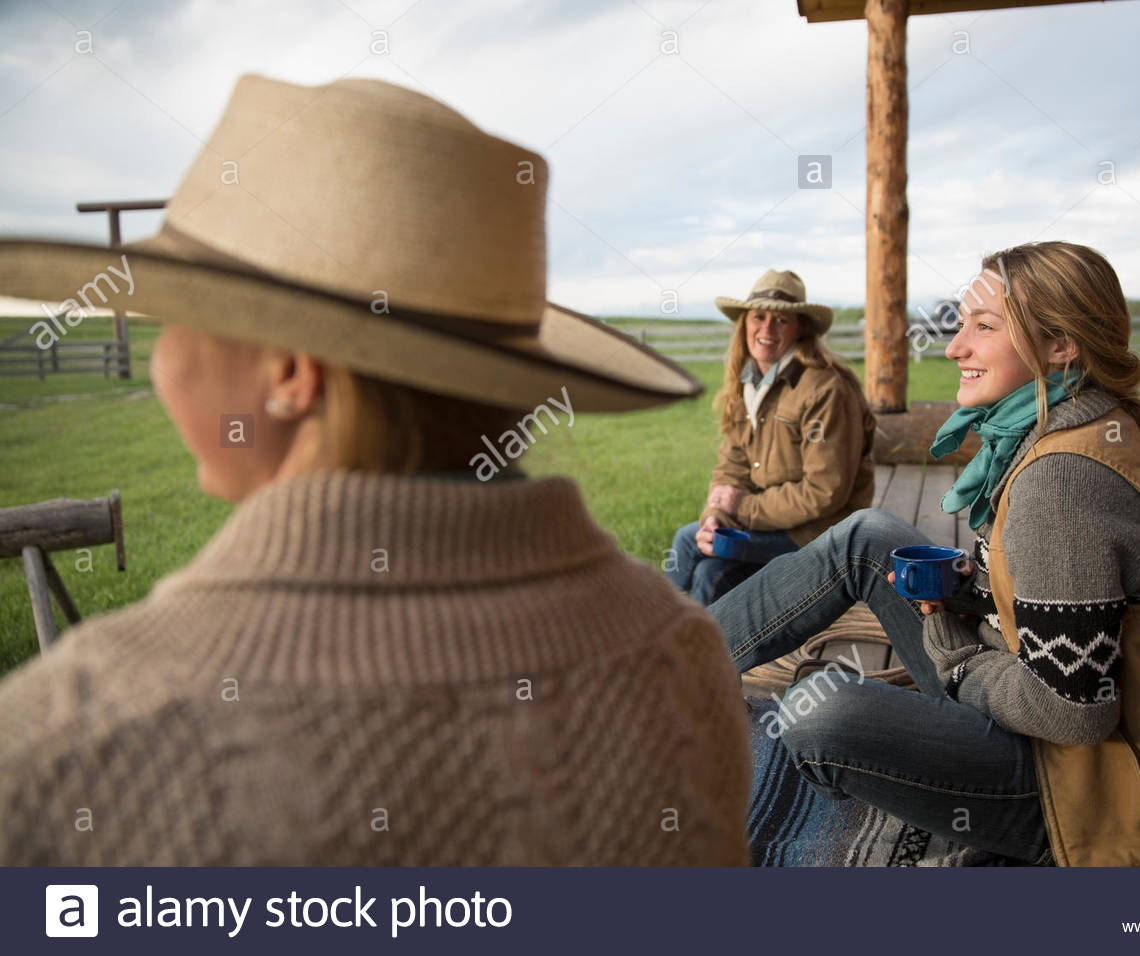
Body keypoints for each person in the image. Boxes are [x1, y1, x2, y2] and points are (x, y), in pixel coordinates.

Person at [0, 75, 750, 865]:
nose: (161, 362)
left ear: (292, 370)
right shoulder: (678, 654)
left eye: (174, 318)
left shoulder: (72, 745)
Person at [708, 241, 1140, 867]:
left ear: (1061, 345)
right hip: (1057, 724)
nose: (953, 347)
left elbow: (1072, 714)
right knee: (868, 537)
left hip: (1100, 791)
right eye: (961, 324)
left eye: (984, 326)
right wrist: (974, 596)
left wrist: (959, 661)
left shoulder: (1063, 477)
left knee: (818, 718)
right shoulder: (1081, 421)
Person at [666, 270, 875, 604]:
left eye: (781, 320)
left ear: (801, 328)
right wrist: (716, 515)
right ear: (744, 324)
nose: (766, 329)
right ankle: (686, 644)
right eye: (758, 317)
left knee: (687, 540)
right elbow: (731, 466)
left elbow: (825, 492)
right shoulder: (749, 383)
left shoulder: (825, 389)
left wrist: (742, 508)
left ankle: (653, 636)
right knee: (708, 570)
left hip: (818, 534)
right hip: (771, 523)